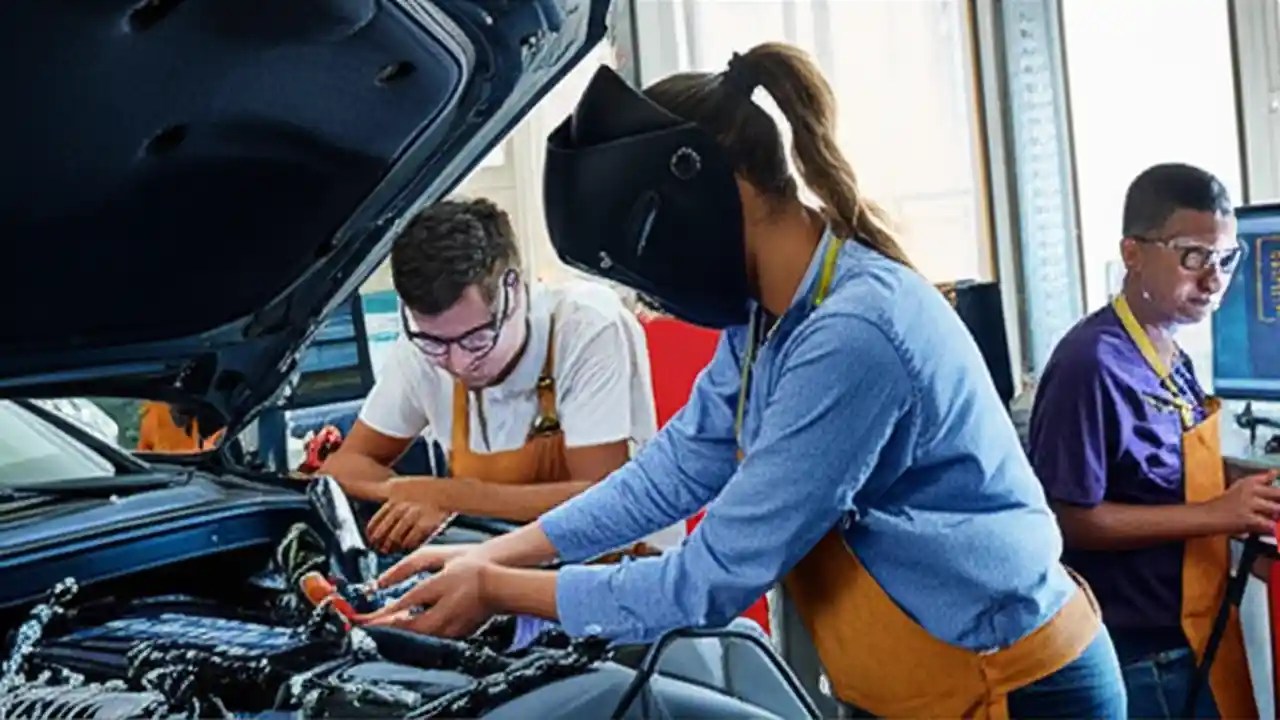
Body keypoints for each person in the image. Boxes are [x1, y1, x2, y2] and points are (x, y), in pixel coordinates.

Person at [357, 43, 1126, 718]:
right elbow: (670, 473)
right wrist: (499, 555)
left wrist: (496, 587)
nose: (652, 298)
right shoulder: (766, 320)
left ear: (730, 191)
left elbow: (710, 579)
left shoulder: (852, 335)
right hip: (909, 677)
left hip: (1013, 687)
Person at [1027, 163, 1271, 719]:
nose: (1214, 280)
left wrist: (1247, 488)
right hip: (1144, 655)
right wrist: (1217, 514)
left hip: (1199, 628)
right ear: (1132, 252)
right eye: (1193, 257)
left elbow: (1159, 471)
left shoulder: (1168, 347)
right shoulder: (1091, 364)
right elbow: (1069, 519)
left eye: (1225, 259)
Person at [316, 197, 676, 554]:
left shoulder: (586, 326)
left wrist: (451, 497)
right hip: (499, 565)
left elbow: (601, 501)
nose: (457, 363)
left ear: (513, 291)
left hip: (622, 569)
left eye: (476, 340)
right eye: (435, 343)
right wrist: (405, 493)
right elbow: (344, 466)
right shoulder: (423, 347)